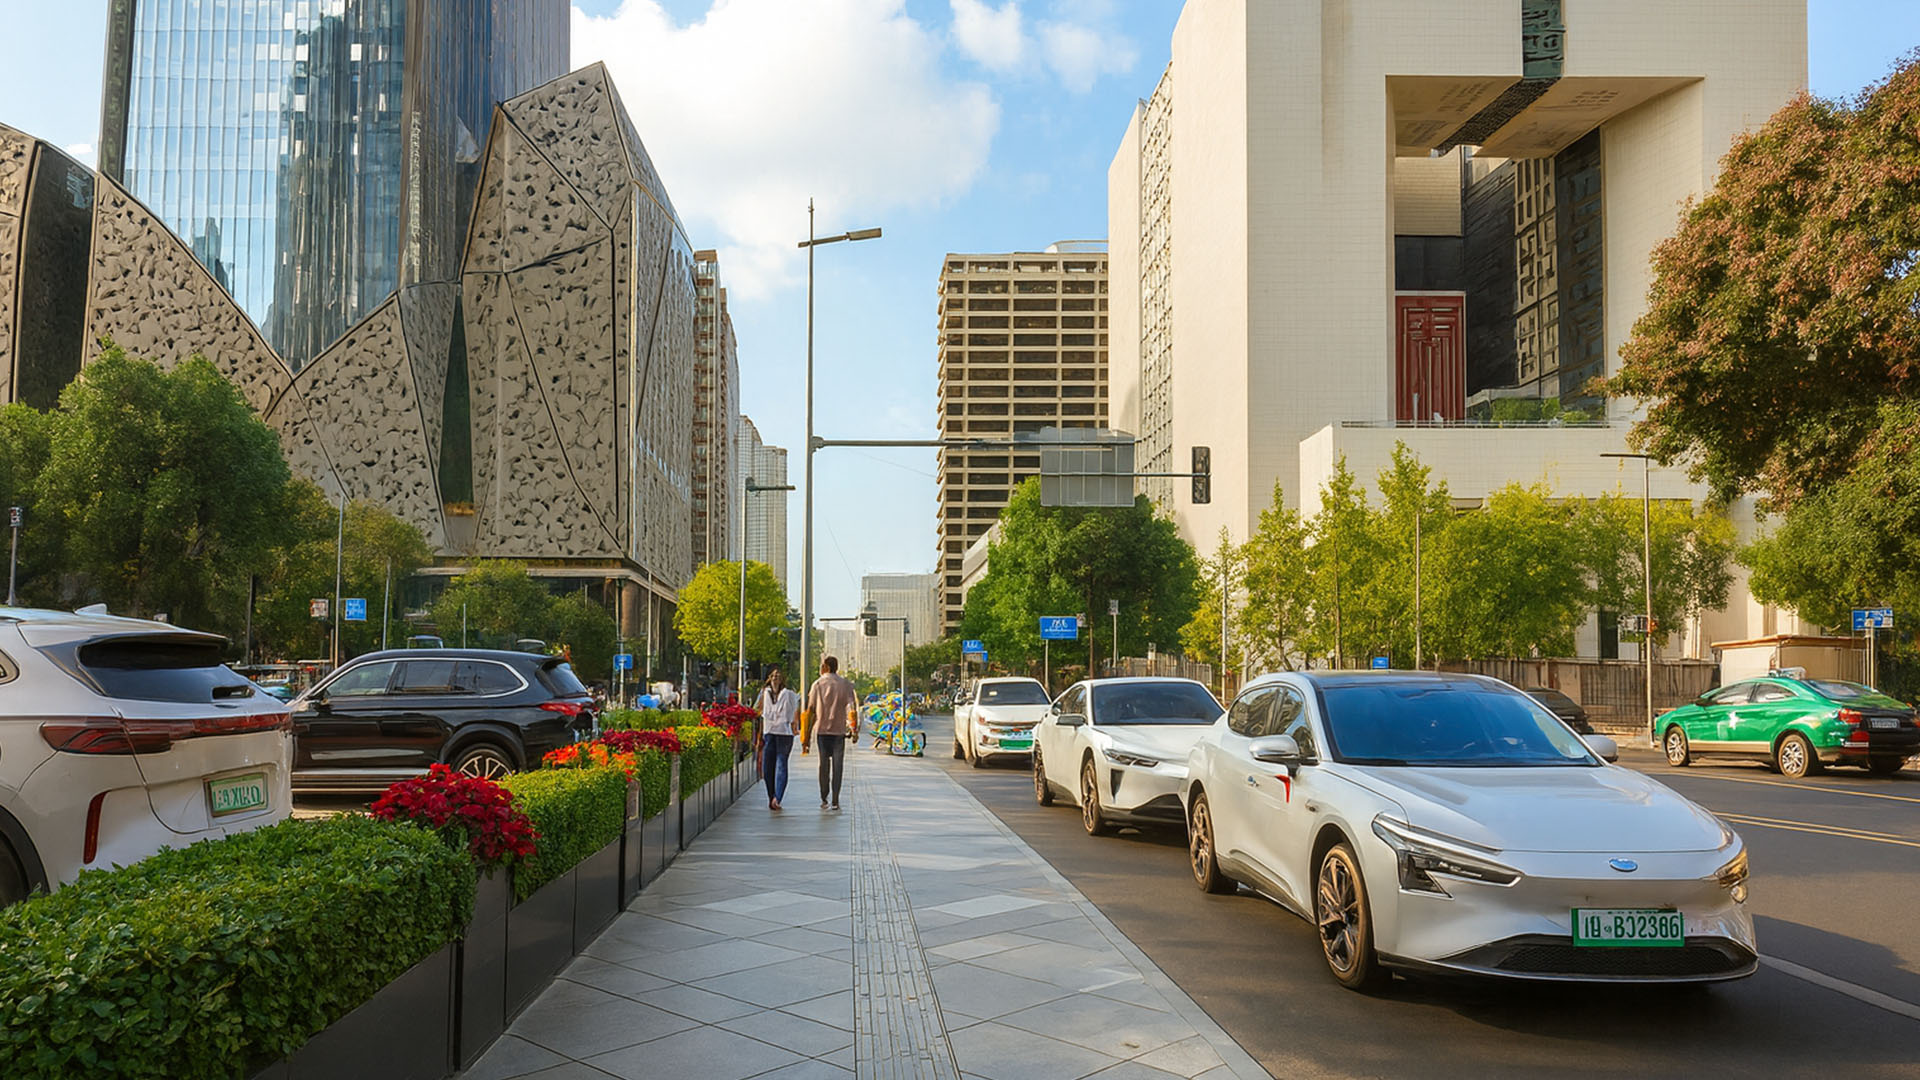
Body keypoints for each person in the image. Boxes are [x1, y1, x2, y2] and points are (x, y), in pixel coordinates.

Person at [802, 656, 858, 810]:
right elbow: (852, 708)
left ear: (825, 667)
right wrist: (854, 730)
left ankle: (824, 796)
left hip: (821, 730)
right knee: (838, 765)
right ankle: (835, 798)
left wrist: (805, 737)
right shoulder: (846, 684)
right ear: (836, 667)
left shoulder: (817, 684)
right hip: (839, 731)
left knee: (823, 764)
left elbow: (811, 710)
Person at [755, 667, 800, 811]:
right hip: (769, 733)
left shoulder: (789, 694)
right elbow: (757, 710)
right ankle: (771, 796)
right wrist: (759, 734)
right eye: (773, 675)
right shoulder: (764, 693)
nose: (775, 677)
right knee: (768, 766)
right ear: (769, 678)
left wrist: (795, 727)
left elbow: (795, 711)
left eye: (778, 675)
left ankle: (778, 798)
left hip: (784, 734)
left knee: (781, 764)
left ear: (782, 679)